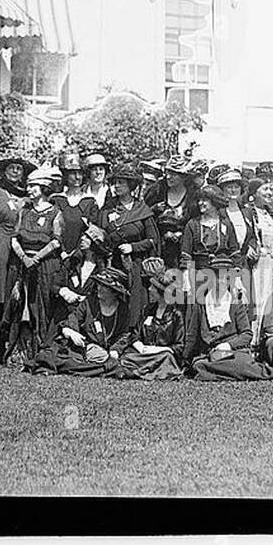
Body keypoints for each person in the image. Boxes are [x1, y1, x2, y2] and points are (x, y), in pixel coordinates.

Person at [1, 165, 65, 364]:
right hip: (22, 265)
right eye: (28, 186)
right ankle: (18, 351)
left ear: (44, 187)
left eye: (33, 186)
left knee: (41, 306)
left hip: (44, 266)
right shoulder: (24, 211)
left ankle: (40, 351)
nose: (29, 190)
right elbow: (14, 238)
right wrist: (24, 258)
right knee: (19, 305)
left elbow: (56, 241)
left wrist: (36, 258)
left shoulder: (55, 213)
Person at [27, 264, 136, 377]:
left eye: (104, 286)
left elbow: (124, 335)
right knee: (51, 355)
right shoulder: (89, 302)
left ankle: (102, 367)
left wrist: (115, 350)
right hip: (84, 348)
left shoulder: (123, 309)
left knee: (123, 363)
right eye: (98, 284)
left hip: (107, 353)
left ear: (114, 292)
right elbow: (73, 318)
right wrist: (71, 332)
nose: (98, 288)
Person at [185, 253, 273, 380]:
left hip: (234, 352)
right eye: (217, 277)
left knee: (240, 363)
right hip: (210, 353)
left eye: (225, 278)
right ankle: (232, 372)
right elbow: (192, 335)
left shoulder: (236, 304)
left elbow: (247, 334)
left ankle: (224, 372)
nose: (221, 282)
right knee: (199, 365)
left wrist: (228, 345)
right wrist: (184, 359)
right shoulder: (200, 304)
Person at [99, 164, 160, 329]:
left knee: (136, 302)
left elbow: (153, 240)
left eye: (122, 182)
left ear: (131, 185)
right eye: (115, 182)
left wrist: (133, 247)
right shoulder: (108, 208)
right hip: (114, 264)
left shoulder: (142, 210)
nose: (117, 186)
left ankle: (134, 335)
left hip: (136, 265)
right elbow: (100, 235)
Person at [0, 153, 32, 344]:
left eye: (19, 168)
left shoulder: (28, 198)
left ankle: (13, 340)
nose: (15, 170)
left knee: (17, 290)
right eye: (11, 167)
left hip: (21, 247)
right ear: (4, 171)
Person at [113, 259, 184, 381]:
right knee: (127, 356)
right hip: (144, 353)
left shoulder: (176, 315)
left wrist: (158, 349)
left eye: (153, 287)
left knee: (166, 358)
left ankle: (135, 372)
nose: (150, 289)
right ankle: (148, 371)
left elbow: (179, 346)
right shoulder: (148, 309)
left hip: (161, 354)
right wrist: (140, 346)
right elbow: (135, 334)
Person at [244, 176, 273, 345]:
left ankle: (265, 341)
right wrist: (250, 248)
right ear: (254, 193)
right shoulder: (248, 213)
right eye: (265, 189)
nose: (269, 193)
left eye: (271, 190)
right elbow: (245, 237)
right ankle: (251, 341)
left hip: (272, 264)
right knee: (255, 301)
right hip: (256, 266)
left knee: (269, 301)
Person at [145, 157, 197, 275]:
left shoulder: (192, 197)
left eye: (173, 174)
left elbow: (197, 222)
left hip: (183, 250)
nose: (168, 177)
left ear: (183, 176)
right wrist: (154, 210)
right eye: (167, 173)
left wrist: (180, 234)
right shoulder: (157, 192)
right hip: (158, 250)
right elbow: (142, 214)